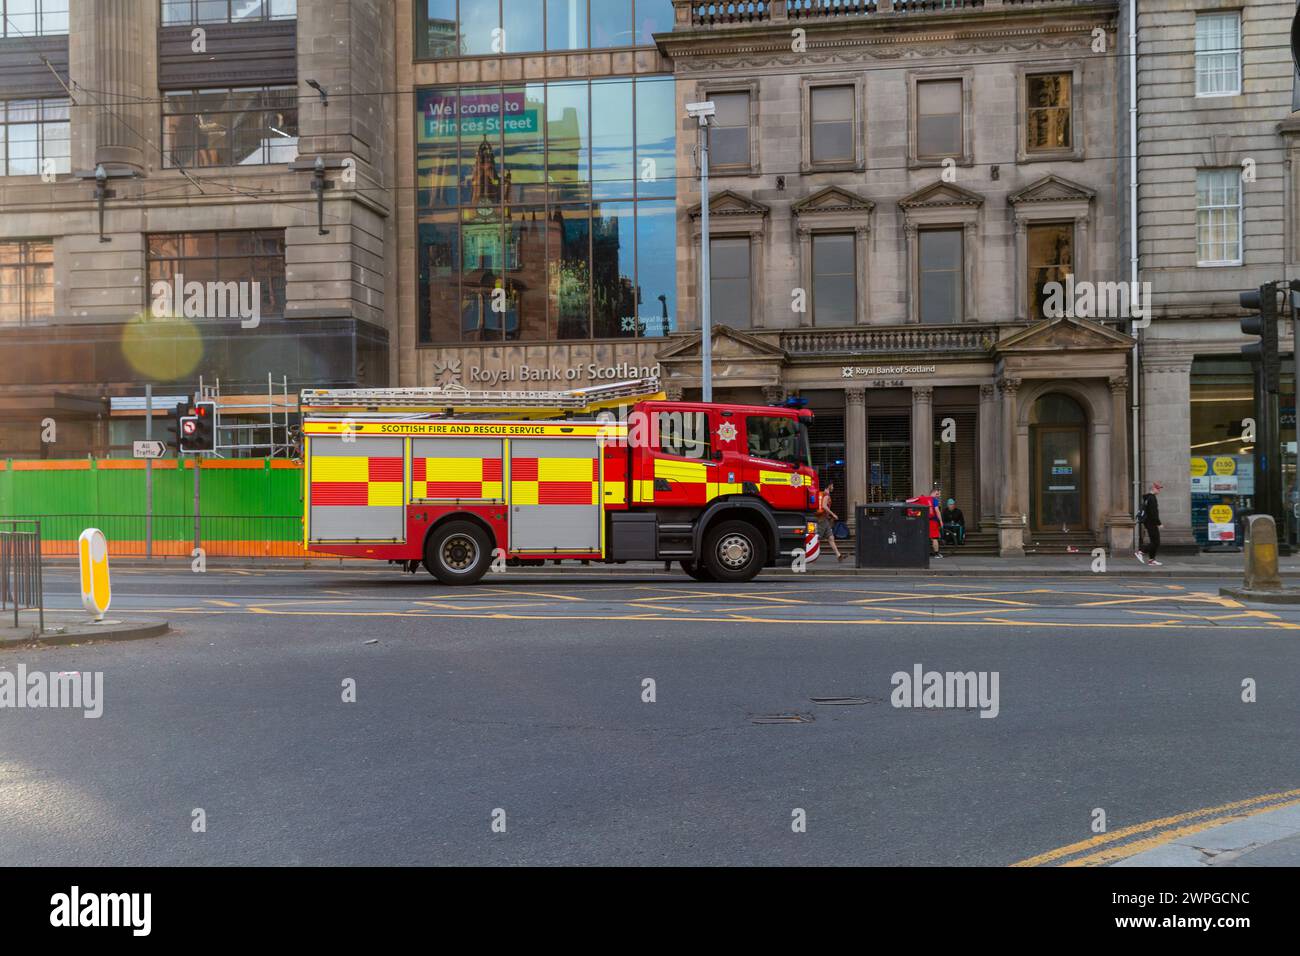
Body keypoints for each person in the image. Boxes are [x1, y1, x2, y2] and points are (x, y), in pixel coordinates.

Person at [1135, 480, 1163, 567]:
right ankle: (1141, 552)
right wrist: (1159, 523)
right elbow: (1153, 512)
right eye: (1158, 488)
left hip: (1148, 522)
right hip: (1151, 522)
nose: (1159, 490)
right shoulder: (1152, 498)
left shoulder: (1147, 498)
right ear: (1153, 488)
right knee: (1156, 542)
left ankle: (1151, 560)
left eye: (1159, 489)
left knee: (1154, 541)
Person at [818, 481, 845, 562]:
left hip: (824, 519)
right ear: (829, 486)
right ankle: (805, 554)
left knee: (831, 537)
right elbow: (824, 506)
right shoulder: (826, 495)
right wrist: (833, 514)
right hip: (821, 519)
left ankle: (838, 555)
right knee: (817, 538)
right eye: (832, 485)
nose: (833, 487)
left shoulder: (824, 494)